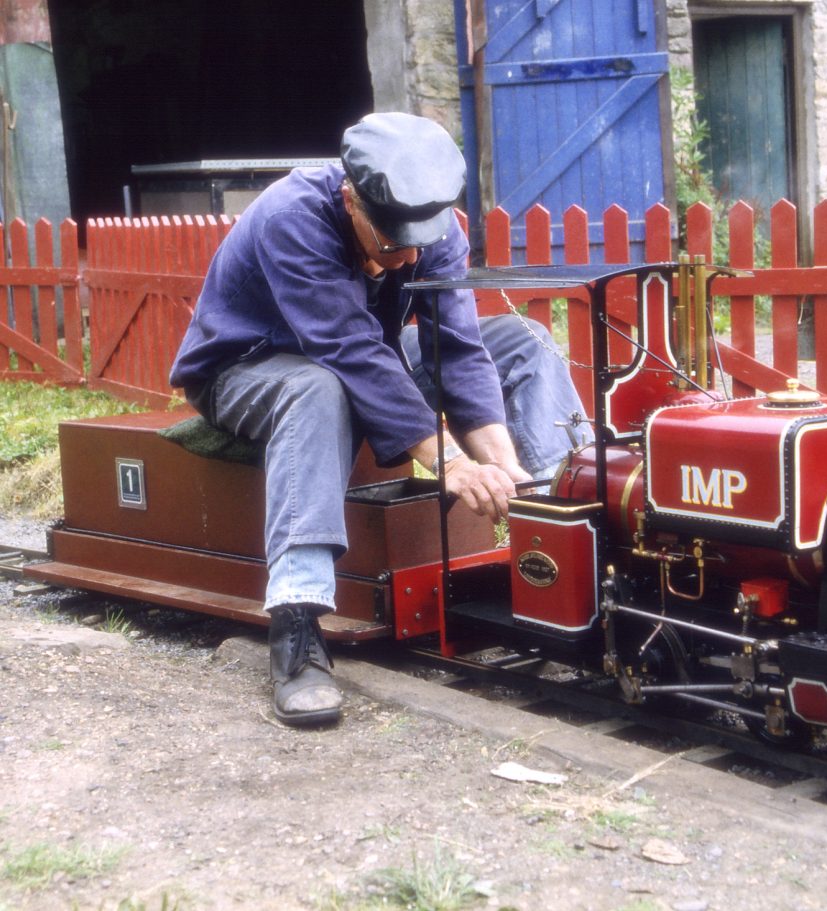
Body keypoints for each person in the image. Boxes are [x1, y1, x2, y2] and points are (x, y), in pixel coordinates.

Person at [169, 112, 589, 727]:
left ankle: (565, 521)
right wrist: (448, 462)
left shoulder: (432, 224)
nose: (410, 258)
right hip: (246, 364)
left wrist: (501, 462)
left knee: (521, 339)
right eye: (393, 246)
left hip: (361, 351)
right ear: (350, 197)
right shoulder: (293, 218)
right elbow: (348, 352)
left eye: (422, 242)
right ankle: (297, 625)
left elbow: (458, 347)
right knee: (319, 388)